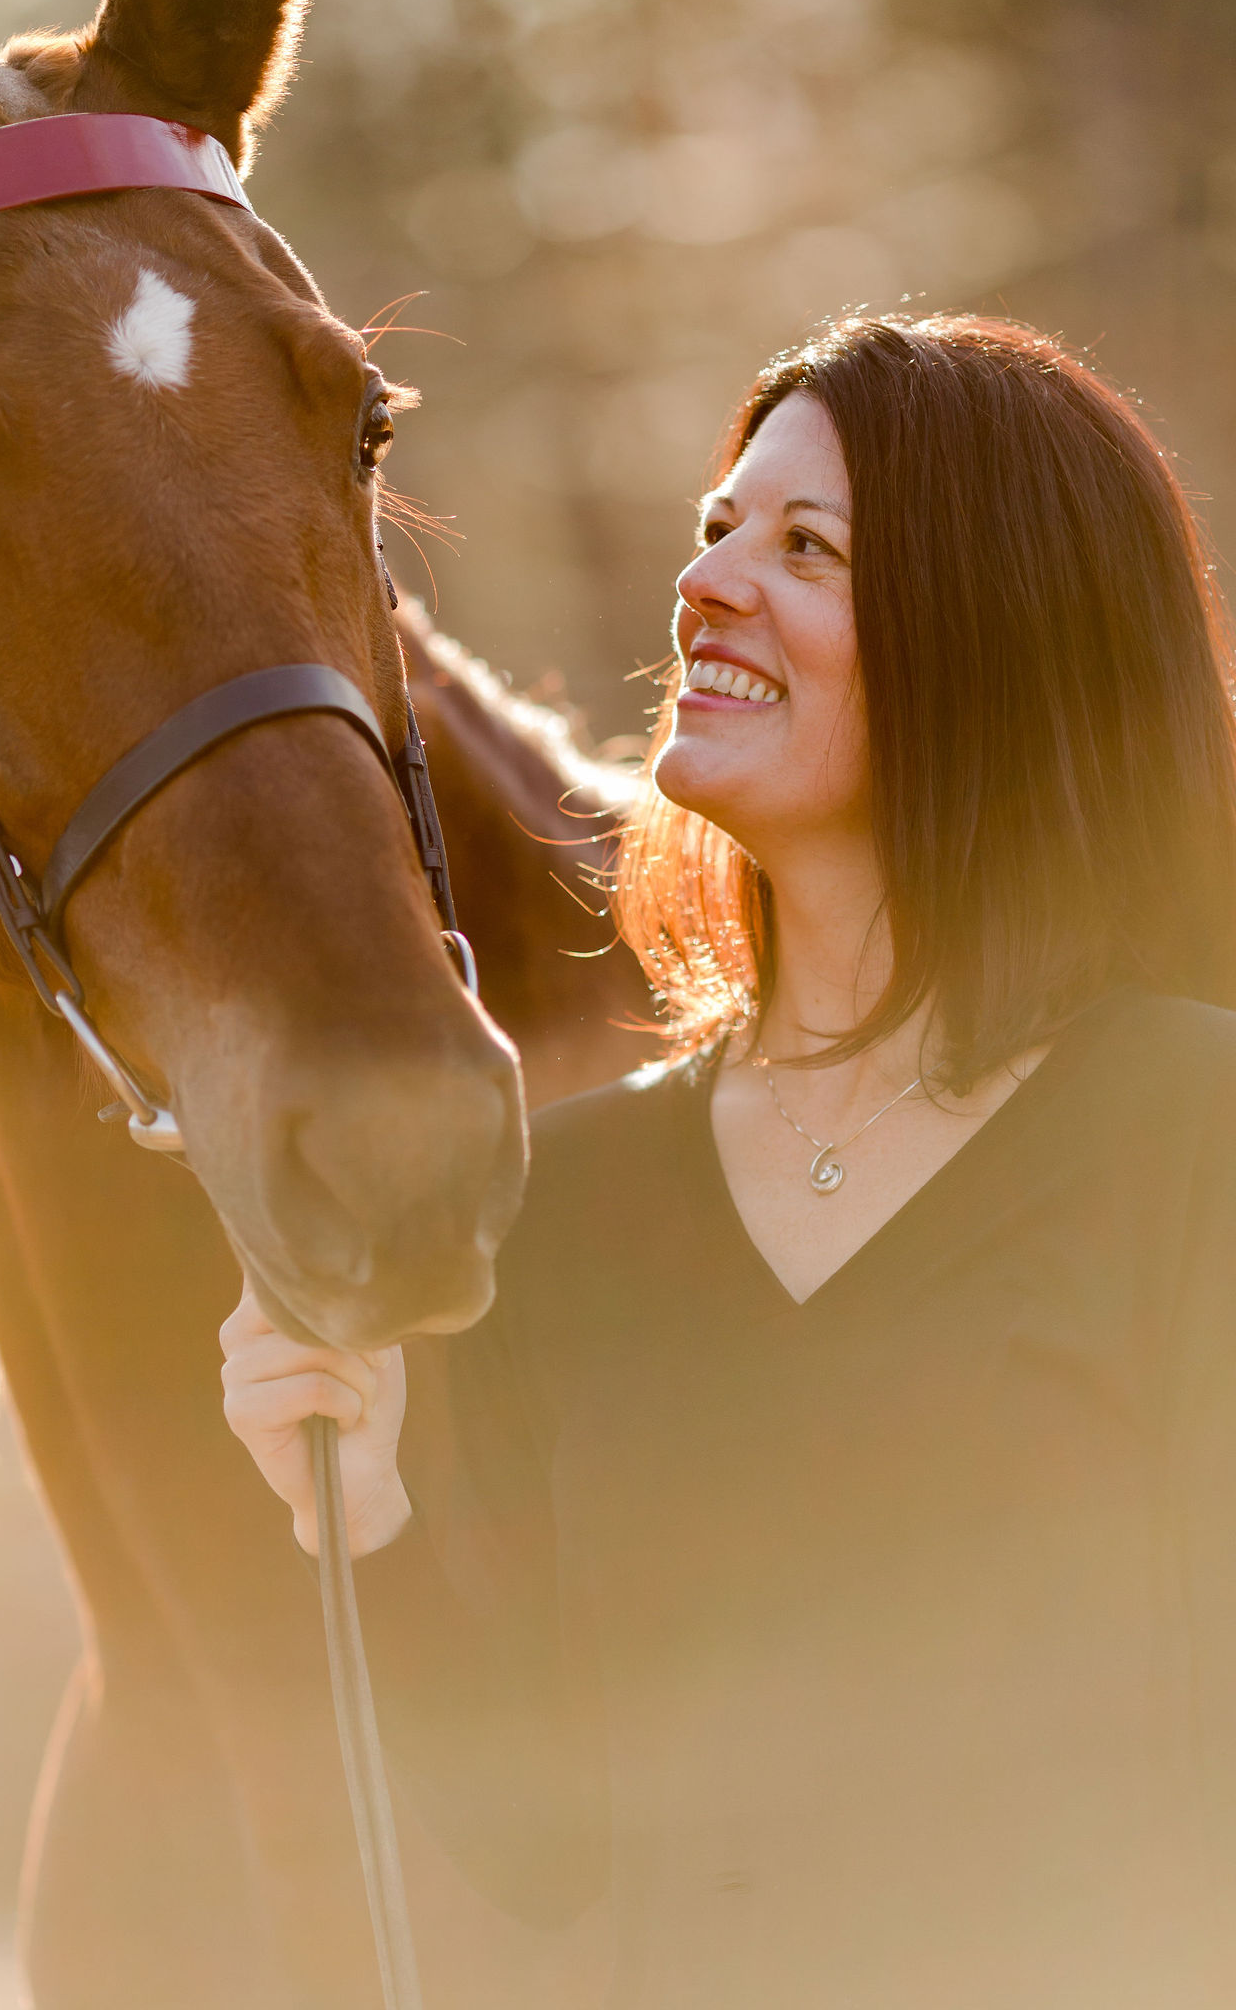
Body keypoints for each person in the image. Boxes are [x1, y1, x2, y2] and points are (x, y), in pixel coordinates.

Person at [222, 313, 1236, 2008]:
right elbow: (551, 1848)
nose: (709, 584)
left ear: (1000, 633)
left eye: (808, 548)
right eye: (717, 532)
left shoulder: (1194, 1132)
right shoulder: (576, 1200)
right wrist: (371, 1516)